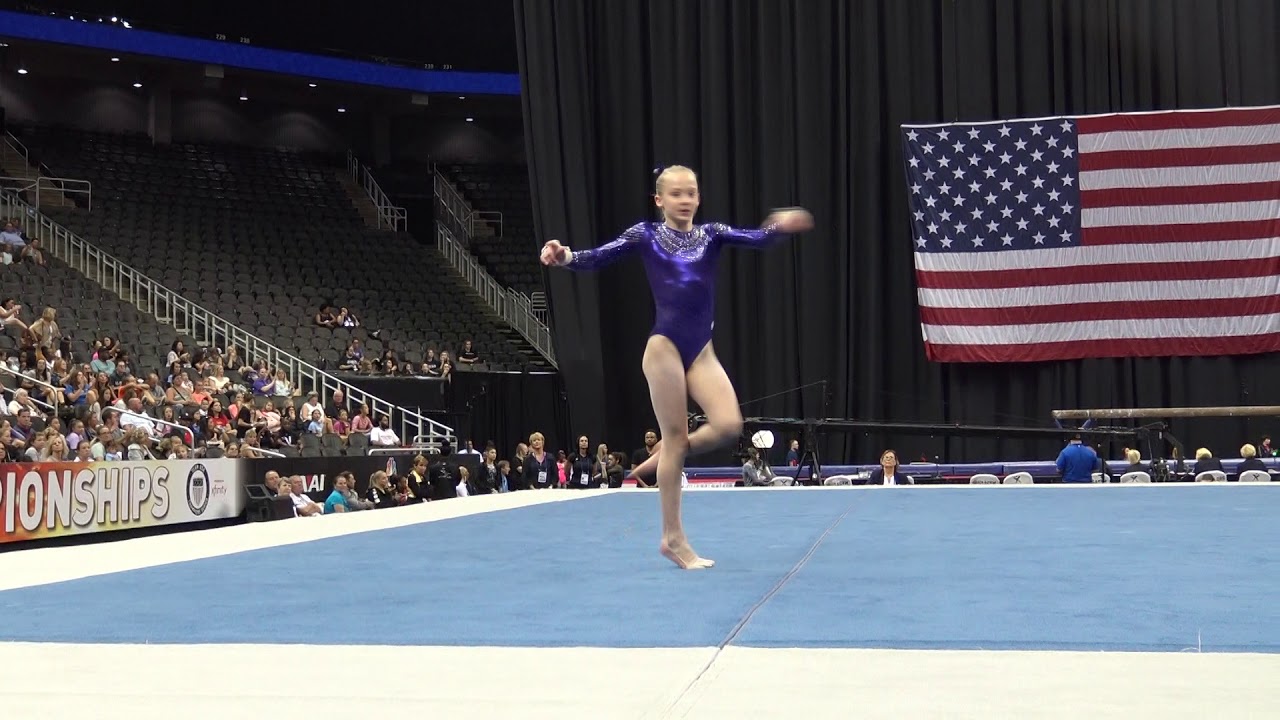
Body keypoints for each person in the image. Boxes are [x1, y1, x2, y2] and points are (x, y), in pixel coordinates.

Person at [540, 164, 813, 569]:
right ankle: (673, 537)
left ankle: (663, 457)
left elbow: (756, 239)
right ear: (659, 200)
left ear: (699, 198)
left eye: (691, 193)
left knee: (728, 426)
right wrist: (565, 257)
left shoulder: (713, 234)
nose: (684, 200)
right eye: (676, 194)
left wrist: (779, 226)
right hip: (664, 346)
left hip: (701, 348)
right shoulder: (645, 235)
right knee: (677, 437)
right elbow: (599, 257)